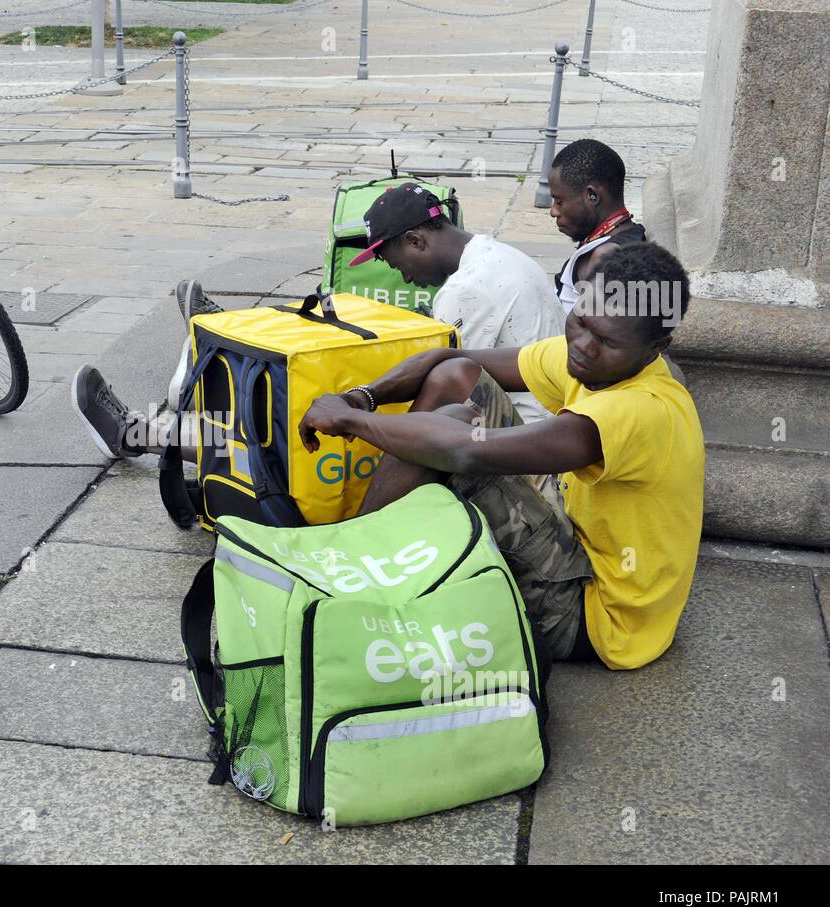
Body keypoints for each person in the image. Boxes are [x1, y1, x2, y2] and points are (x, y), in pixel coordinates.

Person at [297, 241, 702, 671]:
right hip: (573, 526)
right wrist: (363, 398)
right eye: (580, 320)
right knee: (456, 380)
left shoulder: (640, 409)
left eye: (605, 340)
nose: (582, 345)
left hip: (592, 615)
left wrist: (348, 421)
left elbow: (464, 451)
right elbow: (449, 358)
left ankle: (343, 583)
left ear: (656, 347)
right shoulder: (595, 360)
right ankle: (367, 554)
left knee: (445, 434)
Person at [73, 182, 566, 458]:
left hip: (507, 446)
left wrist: (350, 398)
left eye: (393, 260)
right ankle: (230, 350)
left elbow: (437, 383)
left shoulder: (467, 290)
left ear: (416, 239)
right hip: (511, 426)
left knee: (275, 433)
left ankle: (142, 433)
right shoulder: (496, 256)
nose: (399, 272)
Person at [547, 139, 648, 315]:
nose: (553, 211)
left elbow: (591, 336)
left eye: (559, 201)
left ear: (592, 196)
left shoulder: (605, 258)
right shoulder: (625, 233)